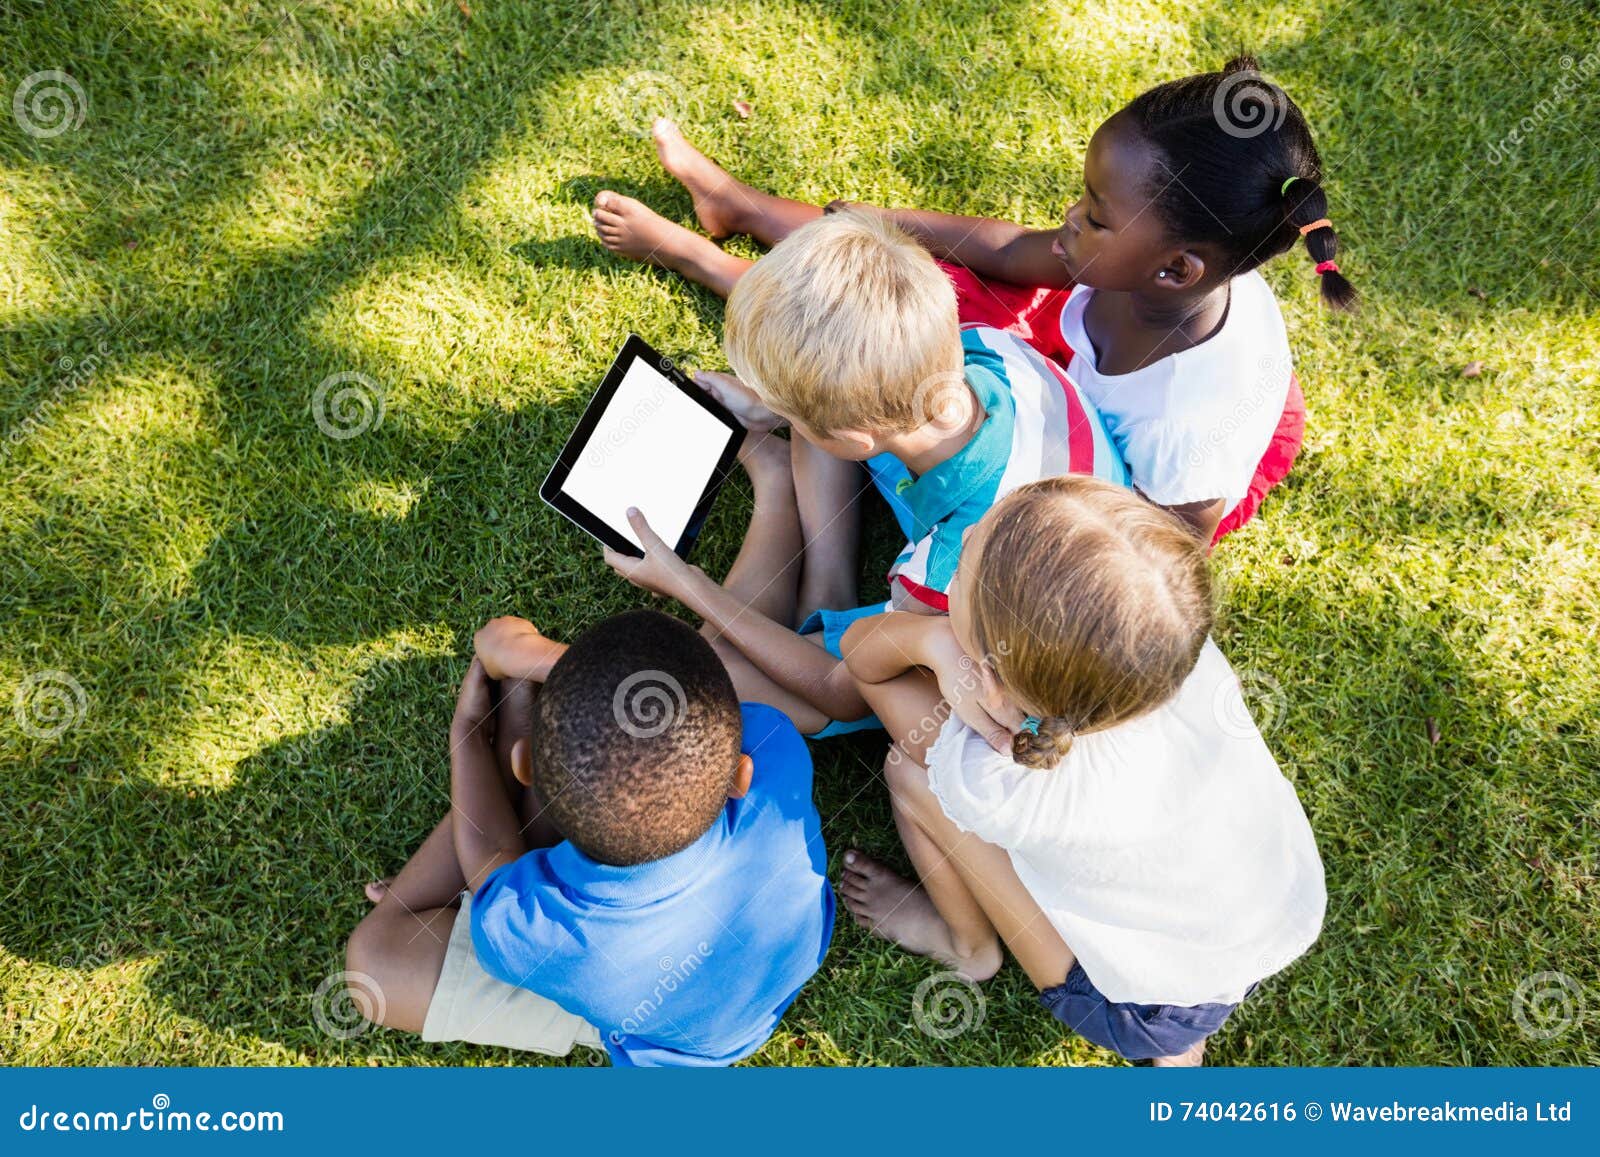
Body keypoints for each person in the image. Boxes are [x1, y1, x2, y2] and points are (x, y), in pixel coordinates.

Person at [592, 56, 1354, 544]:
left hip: (1112, 482)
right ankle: (744, 208)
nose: (1070, 220)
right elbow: (998, 247)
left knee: (894, 336)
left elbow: (1153, 547)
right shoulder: (1138, 265)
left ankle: (699, 257)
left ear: (1176, 269)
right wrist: (869, 226)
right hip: (1065, 376)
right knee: (901, 275)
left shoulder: (1188, 431)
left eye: (1093, 214)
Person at [836, 476, 1326, 1065]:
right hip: (1268, 919)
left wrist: (934, 640)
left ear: (990, 673)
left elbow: (866, 662)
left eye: (964, 564)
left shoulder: (993, 775)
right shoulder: (1160, 642)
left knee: (910, 773)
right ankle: (1177, 1035)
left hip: (1132, 1009)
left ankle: (967, 947)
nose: (965, 531)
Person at [604, 209, 1126, 738]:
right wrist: (780, 408)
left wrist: (684, 581)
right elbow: (863, 404)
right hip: (1030, 494)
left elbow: (841, 691)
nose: (792, 424)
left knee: (714, 672)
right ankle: (827, 584)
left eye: (792, 421)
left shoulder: (957, 564)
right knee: (855, 398)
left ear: (855, 444)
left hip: (1007, 635)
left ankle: (789, 509)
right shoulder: (988, 345)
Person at [343, 609, 834, 1066]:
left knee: (374, 965)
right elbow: (687, 707)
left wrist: (469, 735)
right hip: (756, 977)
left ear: (525, 767)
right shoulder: (773, 741)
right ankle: (529, 736)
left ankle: (520, 740)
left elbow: (489, 857)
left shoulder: (543, 933)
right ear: (739, 776)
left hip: (649, 1019)